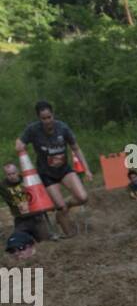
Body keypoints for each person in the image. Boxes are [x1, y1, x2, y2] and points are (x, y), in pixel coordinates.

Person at [15, 101, 91, 237]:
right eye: (44, 118)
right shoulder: (33, 130)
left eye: (49, 117)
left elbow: (76, 148)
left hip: (64, 170)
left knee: (83, 197)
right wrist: (20, 146)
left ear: (53, 115)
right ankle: (69, 234)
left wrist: (87, 169)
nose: (47, 121)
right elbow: (20, 142)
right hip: (47, 174)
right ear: (39, 118)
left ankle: (66, 204)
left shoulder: (63, 128)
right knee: (61, 208)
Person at [1, 160, 55, 256]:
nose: (11, 176)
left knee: (47, 245)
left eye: (13, 173)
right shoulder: (3, 186)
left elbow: (40, 192)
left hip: (37, 218)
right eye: (8, 174)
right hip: (21, 221)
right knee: (16, 246)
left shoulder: (27, 180)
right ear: (5, 175)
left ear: (17, 172)